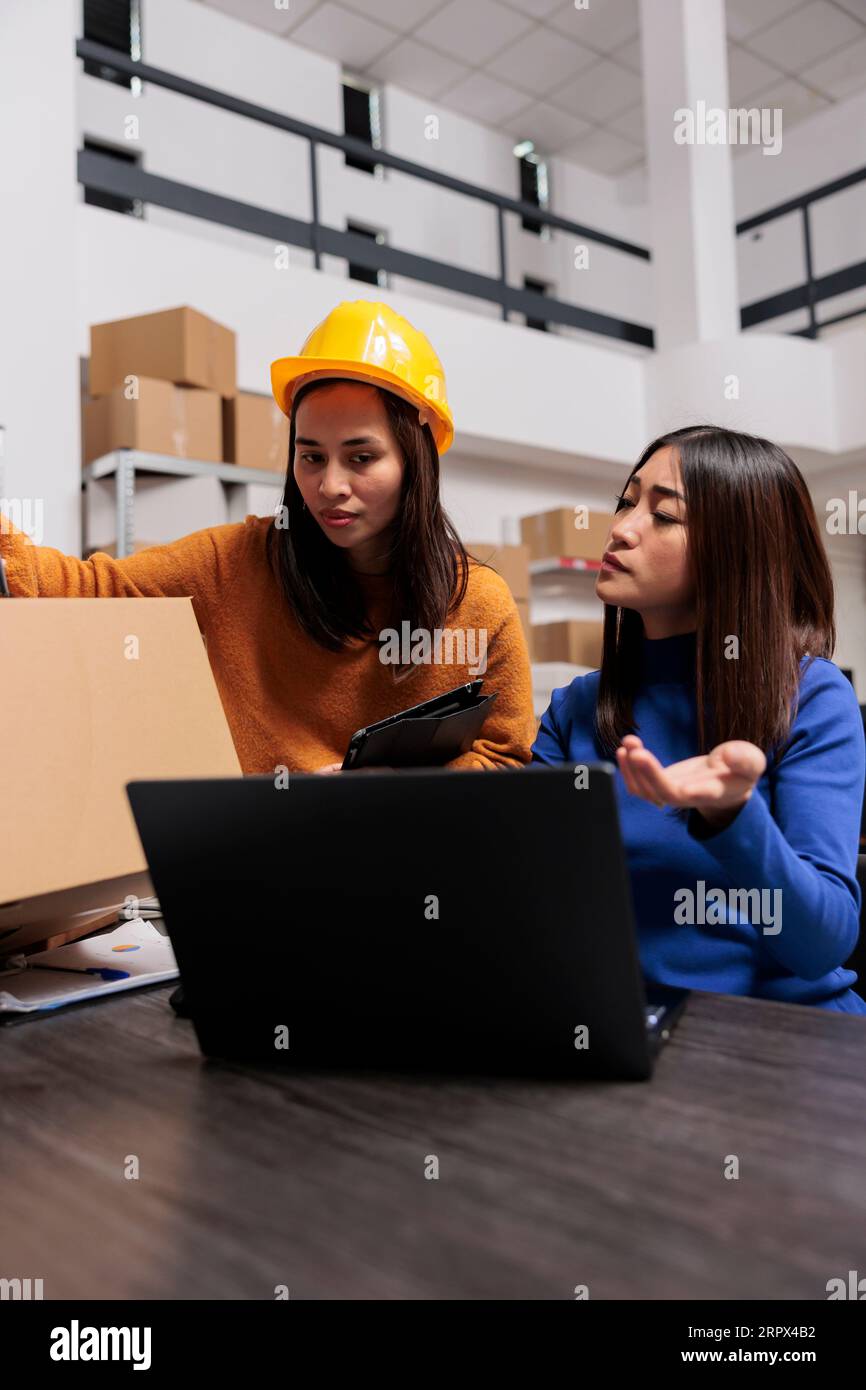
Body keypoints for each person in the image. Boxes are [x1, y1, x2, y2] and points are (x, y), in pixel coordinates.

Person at [0, 300, 536, 774]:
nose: (329, 486)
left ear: (415, 461)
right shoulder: (235, 563)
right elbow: (93, 586)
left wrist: (390, 793)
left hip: (404, 870)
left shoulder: (478, 606)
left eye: (361, 457)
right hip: (259, 862)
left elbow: (505, 757)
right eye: (310, 457)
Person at [532, 425, 866, 1012]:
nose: (620, 528)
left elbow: (823, 944)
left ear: (736, 550)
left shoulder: (813, 696)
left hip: (784, 1039)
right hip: (627, 1032)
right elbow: (525, 889)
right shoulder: (577, 707)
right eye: (626, 501)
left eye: (664, 516)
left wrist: (732, 816)